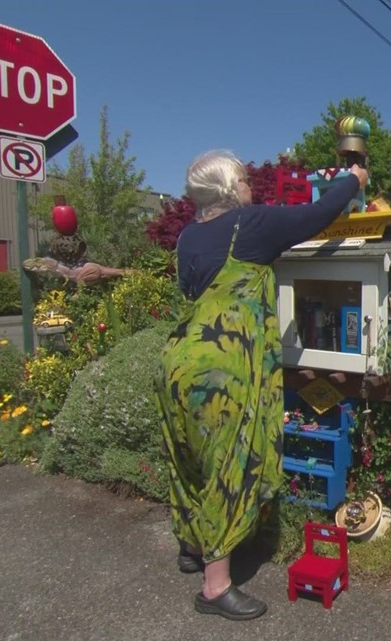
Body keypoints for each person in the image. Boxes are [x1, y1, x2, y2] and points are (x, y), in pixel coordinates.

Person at [153, 150, 367, 620]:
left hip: (178, 362)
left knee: (190, 461)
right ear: (232, 189)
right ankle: (215, 588)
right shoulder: (246, 225)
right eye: (245, 180)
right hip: (222, 372)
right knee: (227, 467)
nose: (252, 186)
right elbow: (317, 214)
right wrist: (352, 179)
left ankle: (194, 546)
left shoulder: (188, 237)